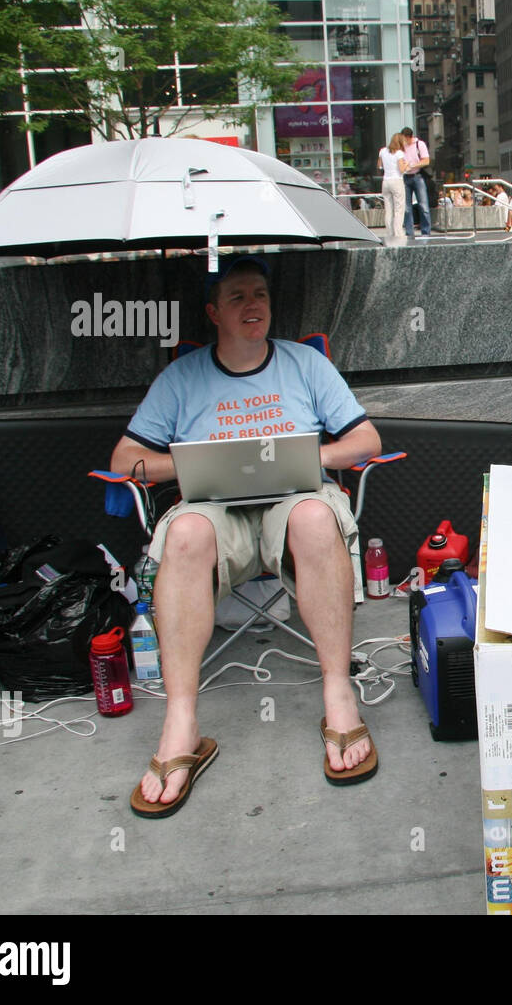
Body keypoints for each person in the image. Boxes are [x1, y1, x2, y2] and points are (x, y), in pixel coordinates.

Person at [113, 257, 383, 818]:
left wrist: (311, 457)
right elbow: (125, 460)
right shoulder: (181, 379)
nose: (252, 304)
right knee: (183, 532)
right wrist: (190, 467)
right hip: (214, 512)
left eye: (259, 293)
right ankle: (181, 723)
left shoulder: (305, 364)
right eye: (236, 297)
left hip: (295, 502)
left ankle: (338, 694)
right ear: (213, 313)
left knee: (313, 517)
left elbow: (367, 440)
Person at [399, 127, 431, 238]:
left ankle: (426, 232)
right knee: (407, 208)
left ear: (409, 137)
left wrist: (412, 165)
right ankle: (409, 232)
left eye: (405, 139)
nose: (404, 141)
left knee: (423, 205)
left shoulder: (419, 144)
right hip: (406, 177)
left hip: (417, 176)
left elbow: (426, 160)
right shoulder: (401, 147)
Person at [376, 133, 408, 243]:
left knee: (388, 208)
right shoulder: (399, 153)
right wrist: (407, 165)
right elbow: (402, 169)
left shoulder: (382, 151)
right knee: (399, 208)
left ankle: (389, 232)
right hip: (397, 181)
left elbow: (379, 166)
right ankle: (398, 232)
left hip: (386, 181)